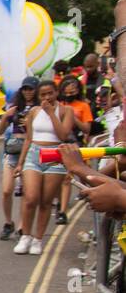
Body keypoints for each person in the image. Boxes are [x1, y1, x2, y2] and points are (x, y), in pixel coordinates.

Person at [13, 80, 74, 256]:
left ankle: (38, 239)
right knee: (30, 197)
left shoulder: (65, 111)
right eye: (43, 94)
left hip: (55, 155)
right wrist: (20, 162)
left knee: (46, 201)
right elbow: (28, 138)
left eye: (50, 93)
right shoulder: (33, 112)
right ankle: (25, 236)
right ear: (39, 96)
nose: (47, 97)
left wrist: (51, 113)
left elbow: (63, 135)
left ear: (56, 93)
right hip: (35, 153)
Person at [0, 77, 38, 239]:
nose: (28, 92)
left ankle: (22, 225)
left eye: (31, 89)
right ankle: (8, 222)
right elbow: (0, 132)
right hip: (12, 151)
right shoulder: (15, 107)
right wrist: (6, 116)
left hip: (30, 151)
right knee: (7, 190)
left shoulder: (39, 109)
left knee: (26, 192)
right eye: (25, 89)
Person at [55, 76, 93, 225]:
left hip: (76, 144)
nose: (70, 94)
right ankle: (61, 205)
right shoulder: (58, 106)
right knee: (60, 177)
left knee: (71, 176)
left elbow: (87, 129)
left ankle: (63, 212)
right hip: (59, 144)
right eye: (67, 92)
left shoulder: (83, 106)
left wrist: (72, 117)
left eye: (73, 91)